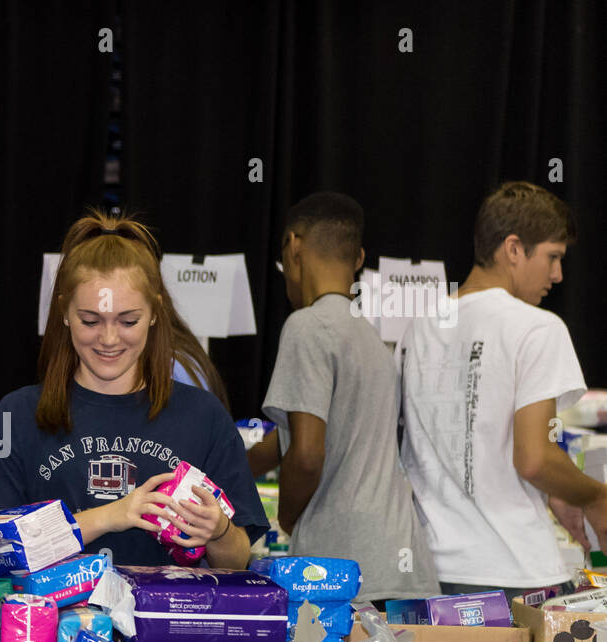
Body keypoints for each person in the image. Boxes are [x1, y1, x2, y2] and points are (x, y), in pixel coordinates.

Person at [0, 211, 266, 567]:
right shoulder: (20, 415)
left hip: (165, 622)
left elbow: (237, 562)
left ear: (154, 313)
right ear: (64, 313)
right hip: (52, 623)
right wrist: (108, 516)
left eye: (128, 320)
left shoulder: (204, 417)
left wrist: (219, 531)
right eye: (90, 320)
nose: (109, 338)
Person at [398, 181, 606, 598]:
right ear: (513, 248)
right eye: (552, 257)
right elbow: (534, 458)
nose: (558, 275)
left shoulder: (419, 326)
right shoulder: (538, 326)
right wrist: (596, 497)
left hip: (429, 570)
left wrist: (556, 493)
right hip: (514, 573)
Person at [248, 192, 438, 602]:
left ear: (293, 246)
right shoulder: (372, 340)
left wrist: (286, 518)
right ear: (358, 257)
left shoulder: (307, 326)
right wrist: (224, 467)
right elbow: (294, 441)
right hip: (402, 566)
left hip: (343, 572)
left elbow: (307, 453)